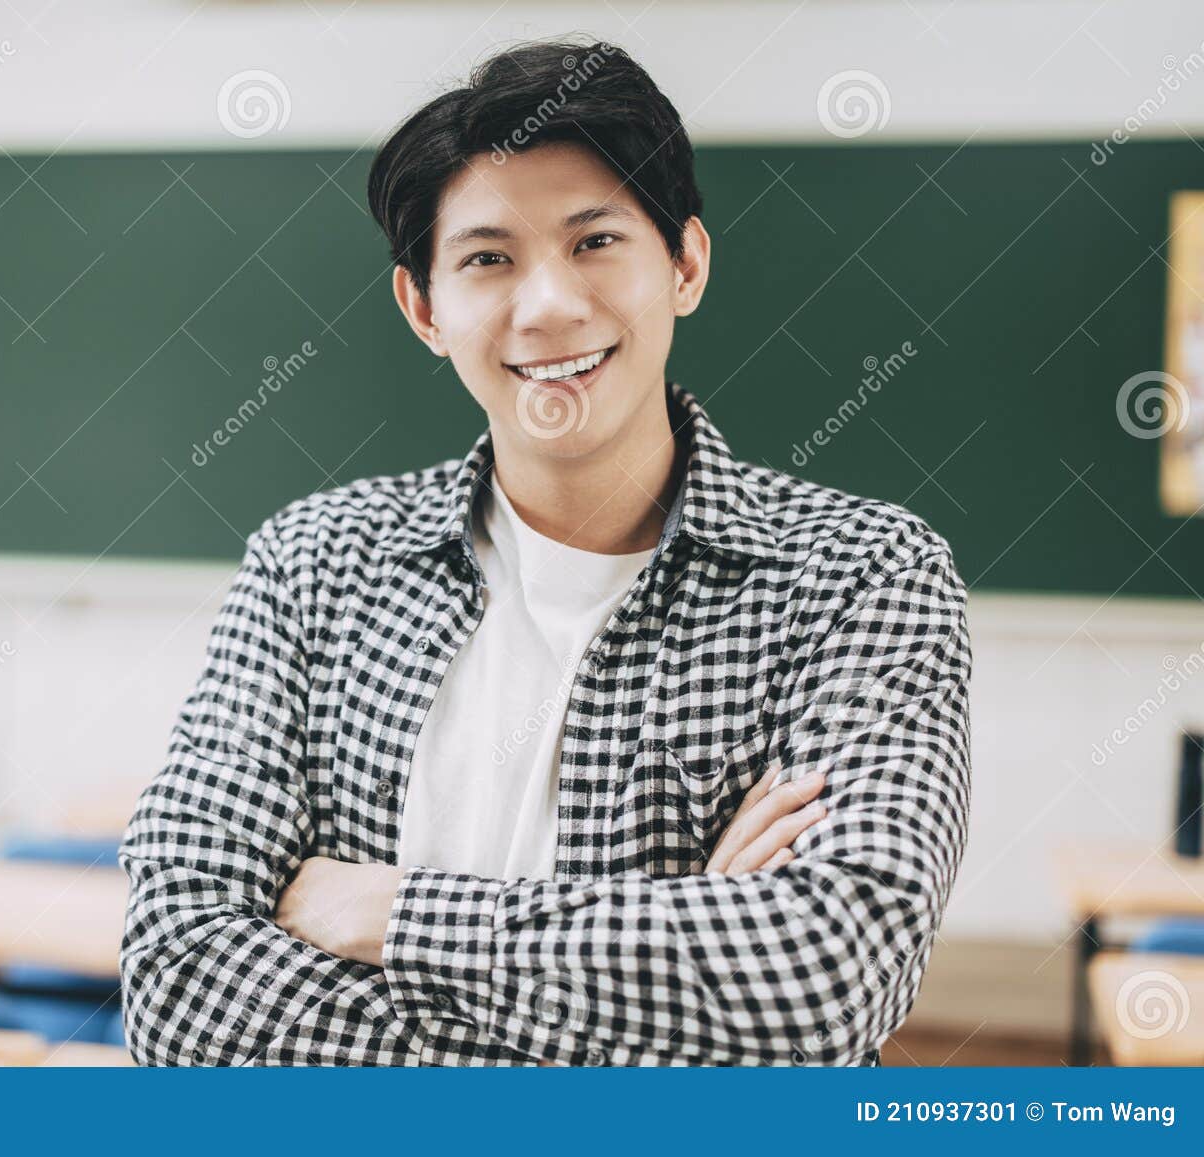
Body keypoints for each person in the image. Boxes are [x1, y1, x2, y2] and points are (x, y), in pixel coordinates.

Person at [118, 37, 971, 1066]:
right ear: (424, 309)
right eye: (488, 258)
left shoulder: (861, 577)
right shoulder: (314, 566)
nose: (550, 304)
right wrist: (681, 974)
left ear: (685, 265)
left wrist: (392, 914)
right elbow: (180, 994)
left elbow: (826, 979)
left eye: (595, 240)